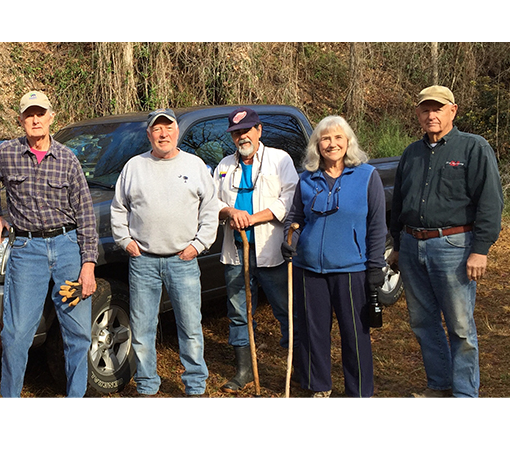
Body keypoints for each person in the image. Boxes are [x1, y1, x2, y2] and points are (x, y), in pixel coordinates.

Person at [0, 90, 98, 398]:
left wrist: (88, 265)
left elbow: (85, 214)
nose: (35, 119)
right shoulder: (6, 154)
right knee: (16, 334)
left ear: (50, 117)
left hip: (67, 248)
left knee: (78, 333)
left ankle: (76, 398)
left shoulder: (68, 159)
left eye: (40, 113)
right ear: (20, 120)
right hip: (27, 251)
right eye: (29, 114)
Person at [388, 85, 503, 398]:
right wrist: (397, 245)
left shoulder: (473, 148)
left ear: (453, 110)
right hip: (412, 245)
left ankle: (464, 394)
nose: (431, 115)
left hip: (453, 247)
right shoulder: (411, 153)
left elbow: (490, 202)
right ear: (418, 113)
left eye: (437, 109)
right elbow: (399, 202)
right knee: (422, 321)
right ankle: (439, 385)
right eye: (425, 109)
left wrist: (480, 250)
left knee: (460, 326)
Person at [111, 107, 219, 397]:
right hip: (143, 261)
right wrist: (125, 240)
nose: (163, 134)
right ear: (149, 134)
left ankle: (195, 386)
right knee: (142, 329)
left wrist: (198, 245)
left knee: (190, 328)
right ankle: (147, 385)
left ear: (177, 131)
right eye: (157, 129)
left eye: (168, 127)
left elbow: (210, 209)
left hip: (183, 261)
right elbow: (118, 208)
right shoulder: (134, 166)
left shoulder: (195, 165)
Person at [282, 115, 386, 398]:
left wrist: (375, 266)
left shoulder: (367, 176)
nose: (332, 144)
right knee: (313, 333)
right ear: (317, 145)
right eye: (325, 138)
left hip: (351, 269)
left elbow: (377, 225)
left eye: (338, 137)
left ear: (348, 142)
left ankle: (359, 392)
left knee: (355, 334)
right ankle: (319, 386)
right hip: (309, 269)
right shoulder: (306, 178)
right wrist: (289, 240)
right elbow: (296, 217)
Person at [212, 107, 298, 393]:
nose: (242, 137)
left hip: (271, 250)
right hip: (237, 251)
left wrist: (253, 218)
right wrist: (230, 212)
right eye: (236, 133)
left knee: (285, 309)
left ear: (259, 130)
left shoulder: (279, 160)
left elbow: (290, 197)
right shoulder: (224, 166)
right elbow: (211, 201)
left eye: (247, 130)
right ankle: (244, 370)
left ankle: (298, 364)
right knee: (239, 311)